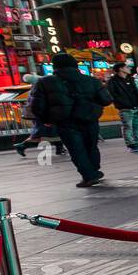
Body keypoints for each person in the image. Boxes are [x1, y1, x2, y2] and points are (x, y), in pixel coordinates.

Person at [28, 53, 111, 187]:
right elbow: (106, 100)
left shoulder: (45, 82)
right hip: (89, 119)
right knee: (91, 146)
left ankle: (89, 175)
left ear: (55, 66)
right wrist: (94, 108)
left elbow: (37, 105)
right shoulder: (92, 80)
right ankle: (94, 171)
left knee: (76, 149)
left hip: (65, 121)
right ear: (74, 65)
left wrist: (46, 119)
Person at [13, 73, 65, 158]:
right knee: (43, 134)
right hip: (43, 116)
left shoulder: (36, 89)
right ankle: (22, 146)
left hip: (42, 115)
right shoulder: (40, 90)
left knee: (54, 132)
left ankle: (60, 148)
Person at [106, 63, 138, 152]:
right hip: (125, 107)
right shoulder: (112, 81)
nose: (129, 69)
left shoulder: (130, 79)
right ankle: (131, 145)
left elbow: (136, 92)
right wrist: (123, 103)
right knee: (127, 126)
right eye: (127, 67)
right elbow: (112, 95)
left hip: (135, 106)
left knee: (137, 125)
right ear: (121, 69)